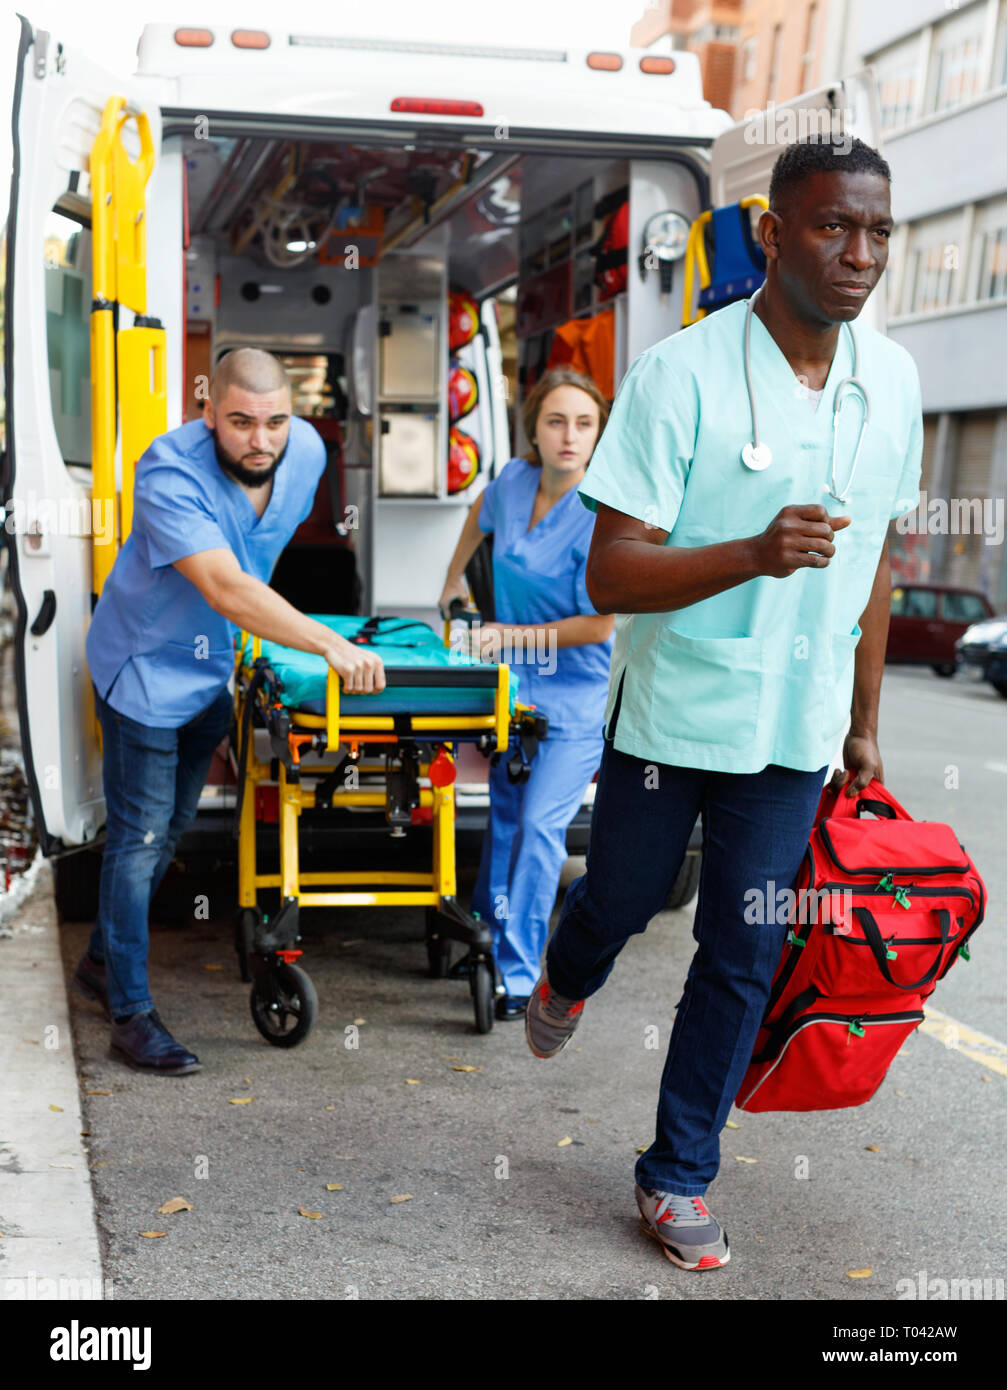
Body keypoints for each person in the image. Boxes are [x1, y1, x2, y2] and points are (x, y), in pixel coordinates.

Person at [523, 138, 923, 1270]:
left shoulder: (889, 381)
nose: (858, 254)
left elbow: (875, 564)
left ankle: (675, 1172)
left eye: (877, 231)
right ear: (769, 233)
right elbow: (609, 573)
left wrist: (863, 724)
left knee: (741, 946)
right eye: (831, 226)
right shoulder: (678, 376)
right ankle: (570, 966)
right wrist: (749, 552)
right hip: (673, 715)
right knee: (624, 896)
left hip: (793, 733)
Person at [75, 349, 384, 1074]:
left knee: (173, 827)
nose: (260, 440)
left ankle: (99, 960)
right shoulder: (168, 469)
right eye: (240, 421)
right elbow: (223, 583)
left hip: (211, 667)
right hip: (142, 669)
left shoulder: (304, 452)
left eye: (275, 421)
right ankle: (129, 1013)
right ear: (207, 407)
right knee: (140, 839)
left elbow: (256, 561)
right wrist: (328, 644)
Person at [438, 368, 615, 1020]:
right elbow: (475, 516)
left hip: (572, 695)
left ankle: (516, 975)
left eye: (584, 424)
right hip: (513, 693)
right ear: (533, 430)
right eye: (555, 422)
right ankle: (482, 940)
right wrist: (451, 582)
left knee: (541, 827)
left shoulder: (601, 510)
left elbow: (599, 624)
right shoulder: (511, 483)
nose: (569, 437)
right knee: (506, 822)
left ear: (598, 433)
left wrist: (506, 635)